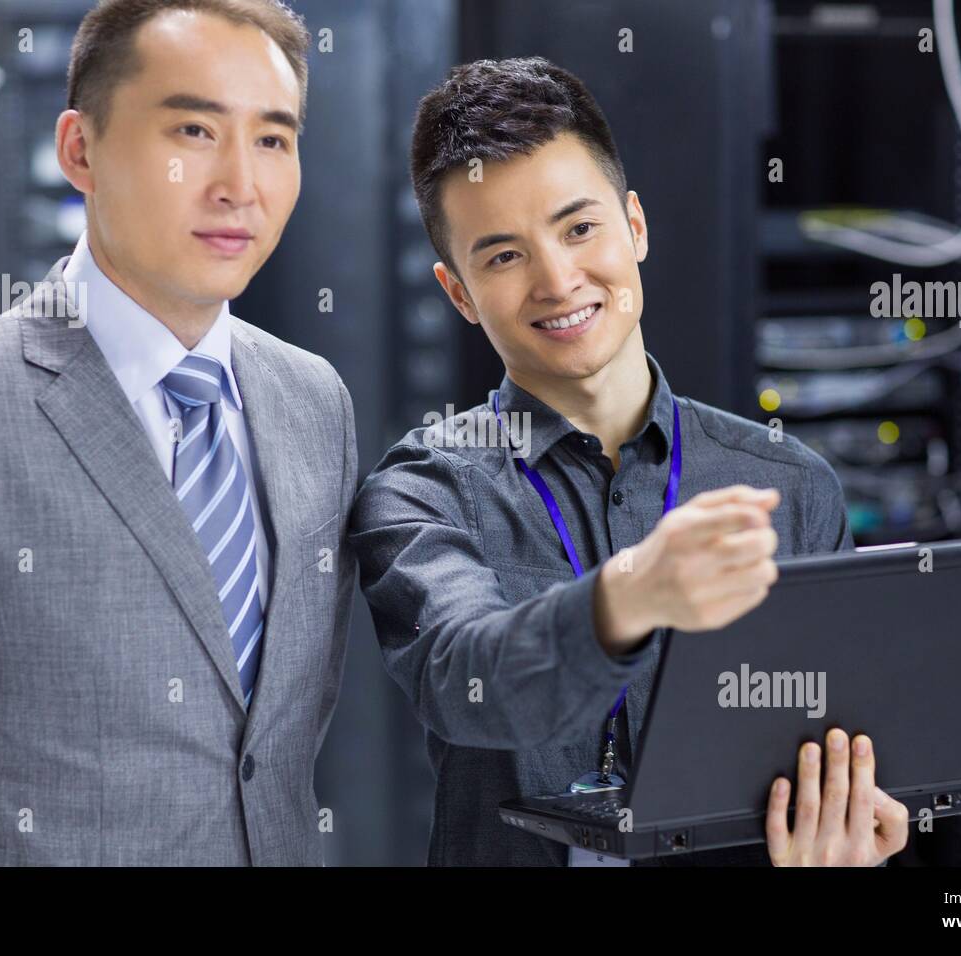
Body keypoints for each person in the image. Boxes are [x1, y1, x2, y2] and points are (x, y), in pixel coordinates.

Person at [0, 0, 356, 865]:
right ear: (80, 150)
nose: (240, 184)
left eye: (273, 139)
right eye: (193, 130)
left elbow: (274, 758)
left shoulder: (314, 404)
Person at [350, 57, 910, 867]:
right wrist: (629, 598)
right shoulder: (424, 489)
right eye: (503, 256)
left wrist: (851, 819)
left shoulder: (790, 483)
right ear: (459, 293)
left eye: (580, 228)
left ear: (635, 227)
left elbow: (834, 740)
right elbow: (464, 678)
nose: (558, 279)